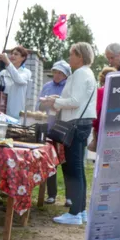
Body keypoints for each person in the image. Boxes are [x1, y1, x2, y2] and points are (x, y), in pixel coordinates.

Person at [40, 43, 97, 225]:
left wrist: (54, 103)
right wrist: (57, 99)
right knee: (77, 168)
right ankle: (80, 211)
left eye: (72, 54)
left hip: (76, 124)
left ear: (80, 56)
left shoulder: (80, 73)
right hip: (81, 123)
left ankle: (74, 213)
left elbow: (74, 101)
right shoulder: (86, 73)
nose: (69, 57)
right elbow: (75, 99)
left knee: (74, 169)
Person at [40, 60, 70, 205]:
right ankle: (51, 194)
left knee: (67, 162)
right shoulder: (47, 86)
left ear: (66, 75)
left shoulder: (69, 88)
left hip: (64, 127)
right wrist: (44, 103)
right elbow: (38, 106)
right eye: (55, 72)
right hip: (49, 127)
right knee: (51, 161)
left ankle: (69, 197)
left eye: (61, 73)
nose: (57, 75)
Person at [0, 45, 32, 120]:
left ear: (23, 58)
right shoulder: (3, 72)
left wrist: (8, 63)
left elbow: (18, 80)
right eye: (11, 54)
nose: (12, 56)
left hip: (16, 115)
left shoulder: (26, 72)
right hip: (0, 114)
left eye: (16, 54)